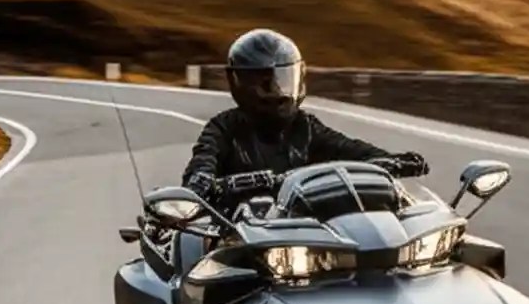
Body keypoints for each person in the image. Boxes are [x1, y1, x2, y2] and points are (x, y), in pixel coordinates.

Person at [181, 29, 429, 210]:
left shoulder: (305, 127)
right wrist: (203, 180)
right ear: (240, 83)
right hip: (238, 232)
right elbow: (202, 163)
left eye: (284, 80)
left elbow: (349, 148)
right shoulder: (223, 128)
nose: (278, 91)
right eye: (266, 84)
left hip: (299, 227)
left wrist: (392, 161)